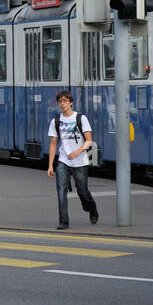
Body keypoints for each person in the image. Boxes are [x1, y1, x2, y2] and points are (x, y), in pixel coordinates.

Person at [46, 90, 98, 229]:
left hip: (80, 160)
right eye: (60, 102)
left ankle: (91, 207)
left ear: (71, 102)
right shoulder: (56, 121)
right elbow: (53, 143)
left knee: (82, 191)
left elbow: (89, 141)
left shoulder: (81, 119)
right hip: (64, 160)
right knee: (61, 190)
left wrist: (77, 152)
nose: (62, 104)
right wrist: (50, 165)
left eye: (65, 101)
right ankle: (64, 221)